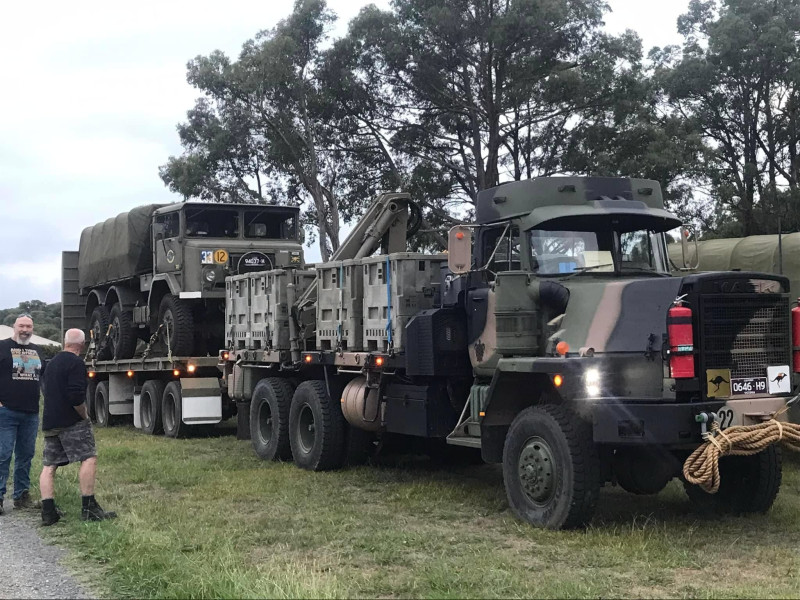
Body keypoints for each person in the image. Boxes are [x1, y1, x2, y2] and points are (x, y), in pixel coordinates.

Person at [39, 328, 116, 526]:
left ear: (65, 342)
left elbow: (46, 390)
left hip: (50, 421)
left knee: (49, 466)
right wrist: (85, 416)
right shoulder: (76, 363)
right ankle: (89, 507)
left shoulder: (51, 363)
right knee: (88, 457)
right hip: (71, 422)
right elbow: (75, 397)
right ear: (82, 345)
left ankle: (48, 512)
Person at [0, 314, 44, 515]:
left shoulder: (37, 350)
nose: (25, 330)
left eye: (29, 326)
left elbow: (43, 378)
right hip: (6, 412)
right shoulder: (2, 347)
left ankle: (21, 496)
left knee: (26, 455)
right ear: (14, 327)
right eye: (22, 326)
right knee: (3, 455)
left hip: (31, 412)